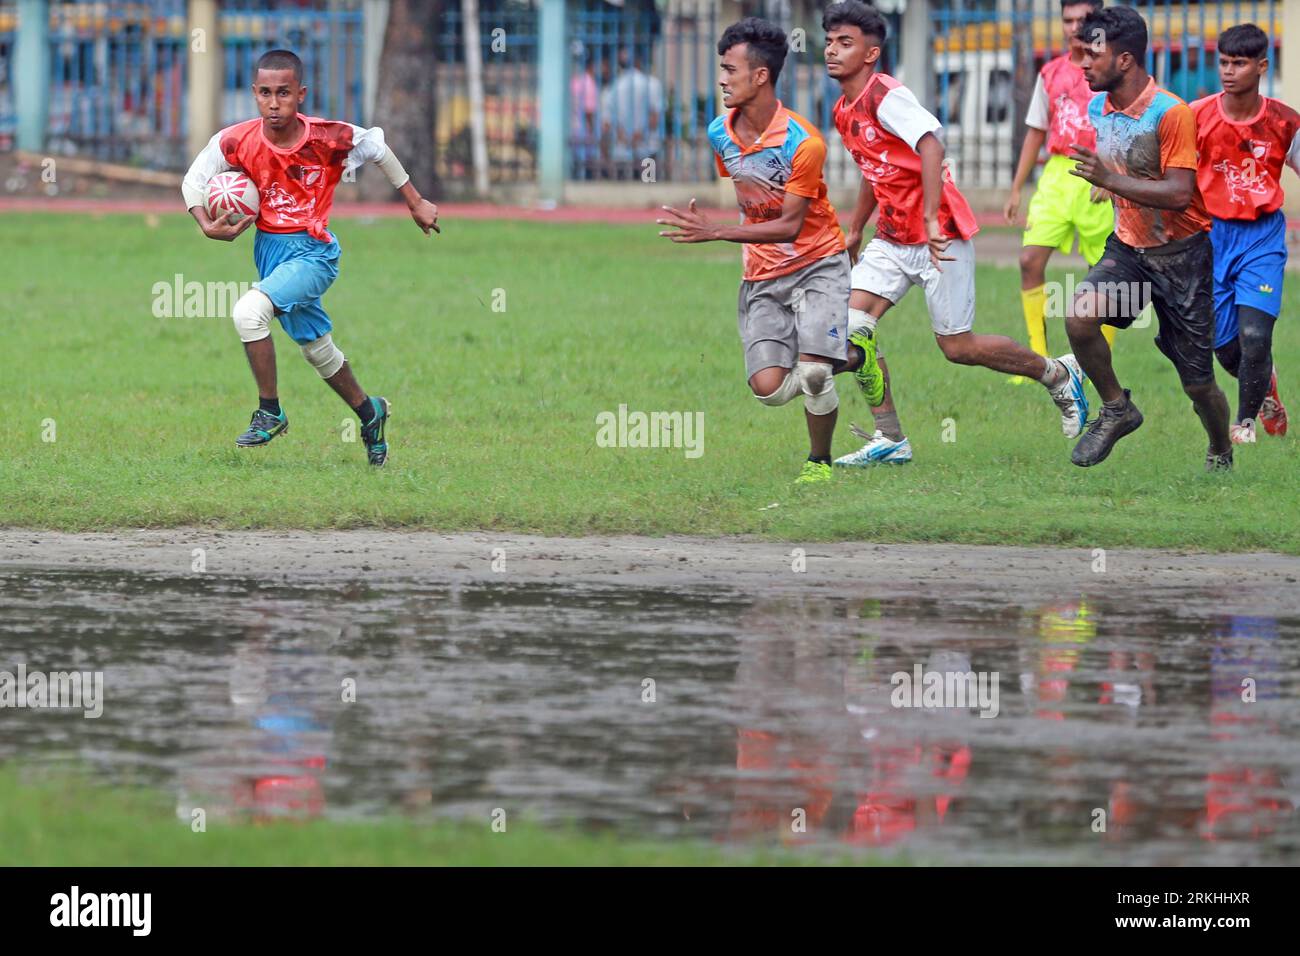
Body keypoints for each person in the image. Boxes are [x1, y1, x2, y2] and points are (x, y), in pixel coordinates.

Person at [821, 1, 1088, 469]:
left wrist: (926, 217)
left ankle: (1058, 373)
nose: (831, 50)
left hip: (938, 235)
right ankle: (891, 439)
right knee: (851, 330)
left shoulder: (886, 94)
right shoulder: (845, 109)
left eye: (845, 43)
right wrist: (856, 227)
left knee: (958, 348)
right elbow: (874, 168)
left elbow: (930, 143)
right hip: (891, 238)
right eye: (828, 41)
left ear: (871, 53)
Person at [180, 49, 439, 466]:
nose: (274, 102)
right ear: (254, 94)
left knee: (248, 313)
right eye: (265, 93)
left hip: (313, 252)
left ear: (301, 94)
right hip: (269, 252)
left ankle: (270, 410)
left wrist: (415, 202)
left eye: (283, 92)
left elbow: (376, 146)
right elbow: (193, 182)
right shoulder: (235, 140)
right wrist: (205, 224)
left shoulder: (326, 137)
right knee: (318, 349)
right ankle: (370, 412)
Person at [656, 18, 872, 484]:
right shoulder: (721, 132)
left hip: (818, 261)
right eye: (721, 68)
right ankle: (850, 355)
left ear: (760, 76)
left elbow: (792, 225)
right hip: (762, 274)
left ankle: (819, 462)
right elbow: (750, 198)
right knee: (768, 391)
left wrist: (716, 233)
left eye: (730, 69)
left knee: (814, 375)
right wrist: (727, 230)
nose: (721, 78)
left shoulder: (804, 142)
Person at [1066, 7, 1233, 469]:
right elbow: (1122, 163)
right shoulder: (1099, 106)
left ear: (1124, 60)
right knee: (1080, 318)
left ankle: (1220, 449)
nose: (1082, 64)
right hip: (1130, 251)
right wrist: (1108, 180)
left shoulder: (1171, 113)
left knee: (1198, 383)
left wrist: (1110, 179)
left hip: (1183, 259)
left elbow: (1180, 195)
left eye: (1092, 55)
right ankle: (1118, 408)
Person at [1190, 22, 1295, 443]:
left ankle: (1245, 422)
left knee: (1255, 335)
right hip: (1212, 239)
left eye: (1239, 63)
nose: (1229, 71)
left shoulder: (1285, 122)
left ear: (1262, 66)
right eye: (1224, 62)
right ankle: (1265, 383)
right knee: (1226, 348)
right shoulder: (1197, 117)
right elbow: (1167, 168)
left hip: (1262, 239)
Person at [1004, 0, 1116, 371]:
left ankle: (1098, 362)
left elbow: (1135, 125)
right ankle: (1039, 357)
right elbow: (1036, 130)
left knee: (1104, 272)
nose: (1074, 27)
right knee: (1028, 260)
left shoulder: (1114, 69)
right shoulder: (1050, 73)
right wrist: (1017, 187)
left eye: (1082, 19)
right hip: (1056, 175)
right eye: (1067, 19)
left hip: (1098, 176)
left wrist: (1114, 173)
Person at [601, 47, 664, 179]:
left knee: (621, 194)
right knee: (650, 191)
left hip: (621, 152)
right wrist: (639, 136)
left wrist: (625, 137)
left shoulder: (612, 87)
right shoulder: (652, 84)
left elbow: (607, 124)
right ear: (639, 61)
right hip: (648, 151)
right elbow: (655, 118)